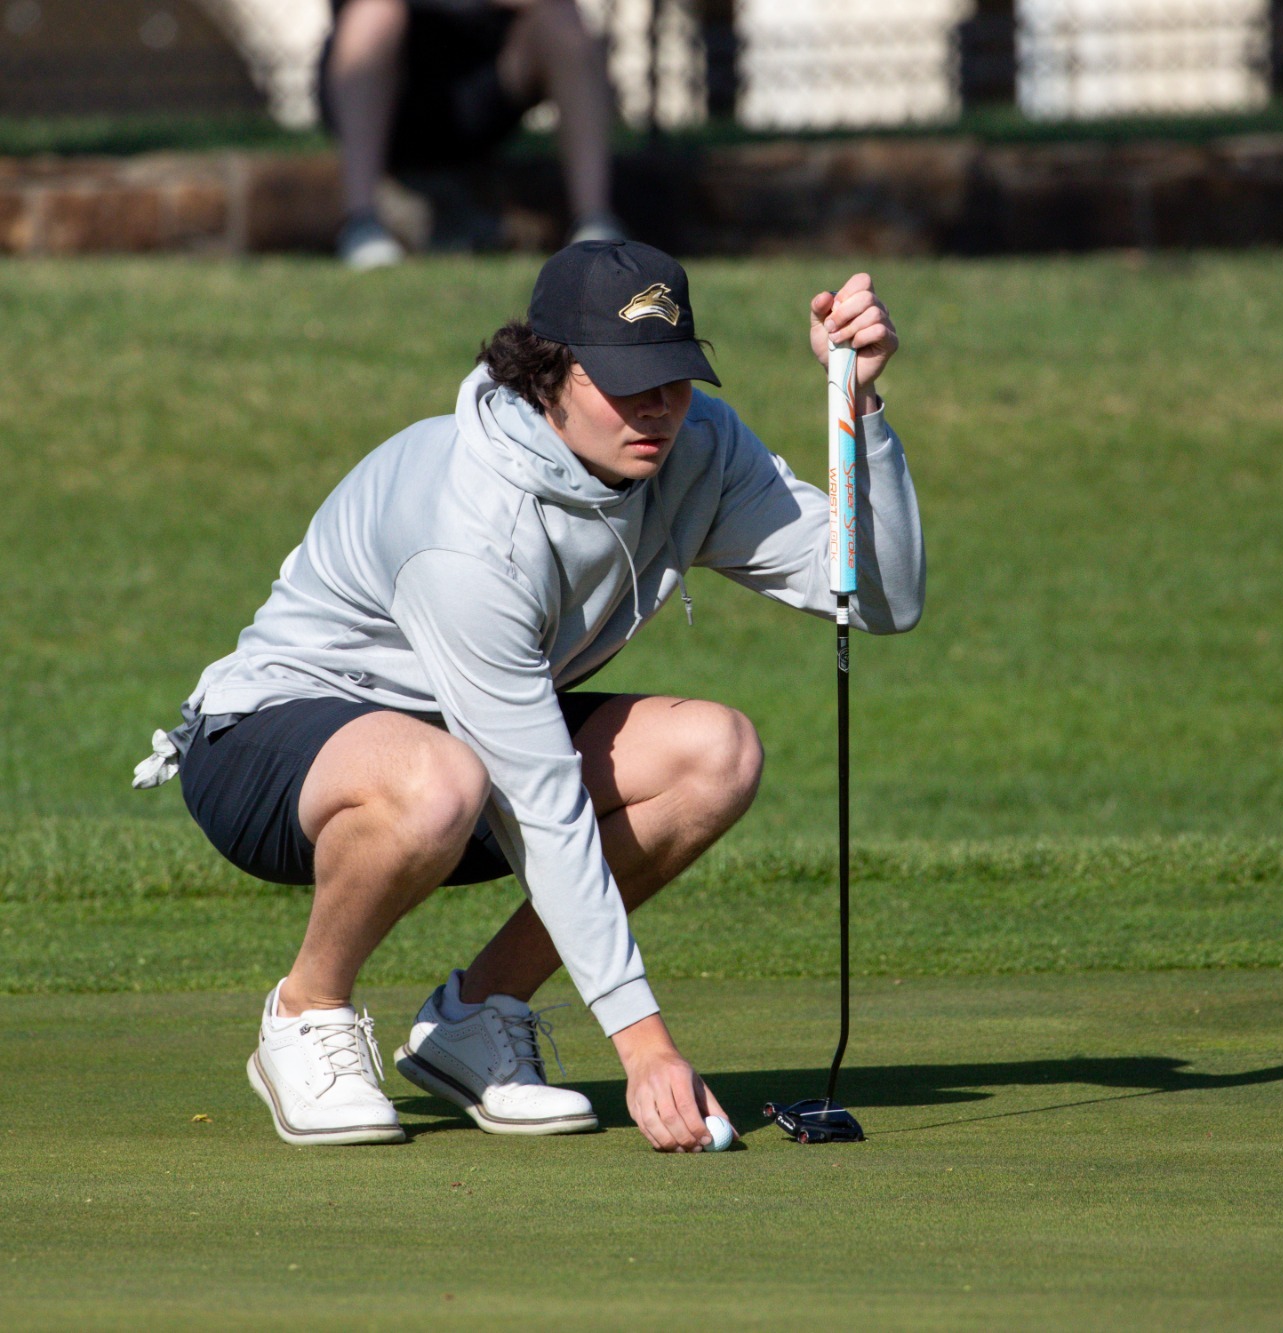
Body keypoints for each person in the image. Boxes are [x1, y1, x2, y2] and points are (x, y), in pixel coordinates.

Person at [131, 242, 924, 1151]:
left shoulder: (698, 449)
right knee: (439, 781)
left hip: (462, 757)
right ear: (545, 375)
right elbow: (542, 801)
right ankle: (305, 1012)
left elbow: (880, 595)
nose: (656, 408)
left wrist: (857, 406)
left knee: (716, 754)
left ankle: (478, 1014)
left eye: (671, 375)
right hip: (267, 745)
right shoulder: (469, 524)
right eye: (624, 380)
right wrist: (645, 1046)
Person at [322, 0, 626, 269]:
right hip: (395, 93)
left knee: (562, 19)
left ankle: (594, 223)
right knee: (374, 12)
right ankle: (360, 222)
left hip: (486, 81)